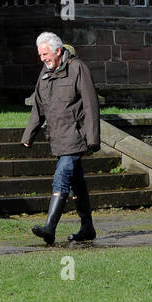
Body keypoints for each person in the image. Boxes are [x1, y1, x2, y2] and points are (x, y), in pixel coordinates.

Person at [21, 32, 100, 245]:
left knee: (62, 175)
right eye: (40, 55)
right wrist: (29, 134)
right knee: (77, 182)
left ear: (58, 51)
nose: (42, 58)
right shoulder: (45, 73)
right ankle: (87, 227)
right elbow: (38, 107)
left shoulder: (77, 69)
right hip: (57, 137)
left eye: (45, 54)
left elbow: (91, 105)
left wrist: (92, 138)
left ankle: (50, 227)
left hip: (76, 136)